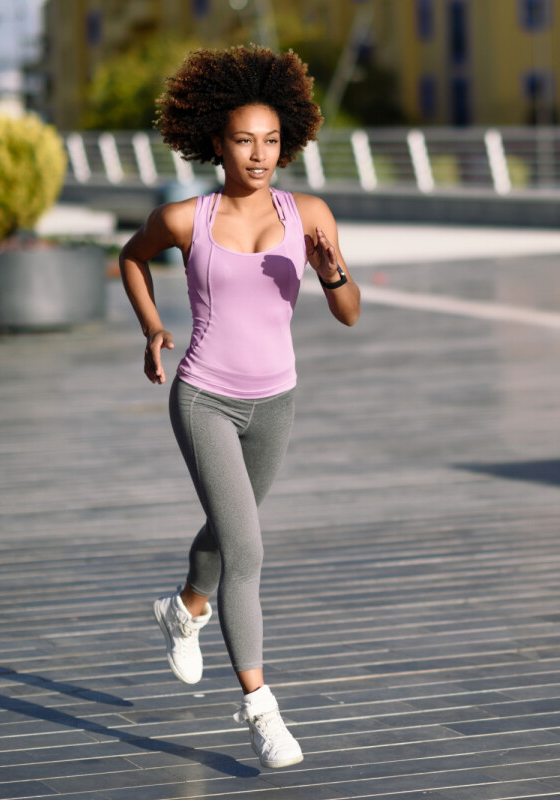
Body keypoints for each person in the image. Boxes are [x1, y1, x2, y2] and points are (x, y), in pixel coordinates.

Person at [118, 45, 360, 770]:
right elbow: (131, 256)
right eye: (244, 141)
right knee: (247, 549)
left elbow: (350, 312)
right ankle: (261, 711)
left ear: (287, 143)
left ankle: (185, 607)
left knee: (230, 533)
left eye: (271, 141)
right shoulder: (185, 219)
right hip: (205, 399)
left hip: (276, 403)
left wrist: (331, 272)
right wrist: (152, 327)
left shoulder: (308, 214)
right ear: (217, 144)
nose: (259, 155)